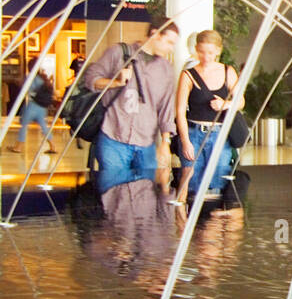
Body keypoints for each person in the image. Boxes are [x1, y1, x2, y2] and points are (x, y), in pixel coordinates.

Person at [85, 21, 179, 192]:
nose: (171, 48)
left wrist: (165, 143)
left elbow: (166, 108)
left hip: (146, 143)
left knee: (144, 198)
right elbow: (91, 79)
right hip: (114, 138)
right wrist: (115, 82)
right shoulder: (118, 53)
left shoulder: (165, 69)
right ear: (155, 34)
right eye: (169, 42)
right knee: (113, 195)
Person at [175, 29, 244, 200]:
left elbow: (240, 101)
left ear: (218, 51)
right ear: (196, 49)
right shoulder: (188, 76)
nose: (206, 57)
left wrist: (225, 104)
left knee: (219, 175)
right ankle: (189, 218)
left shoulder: (228, 72)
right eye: (202, 52)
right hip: (194, 133)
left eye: (211, 53)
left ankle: (213, 219)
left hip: (219, 133)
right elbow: (179, 111)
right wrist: (185, 141)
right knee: (191, 177)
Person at [12, 57, 57, 155]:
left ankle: (18, 147)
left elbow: (27, 89)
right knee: (44, 126)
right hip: (42, 107)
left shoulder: (31, 77)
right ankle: (52, 146)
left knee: (24, 124)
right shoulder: (42, 77)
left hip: (33, 105)